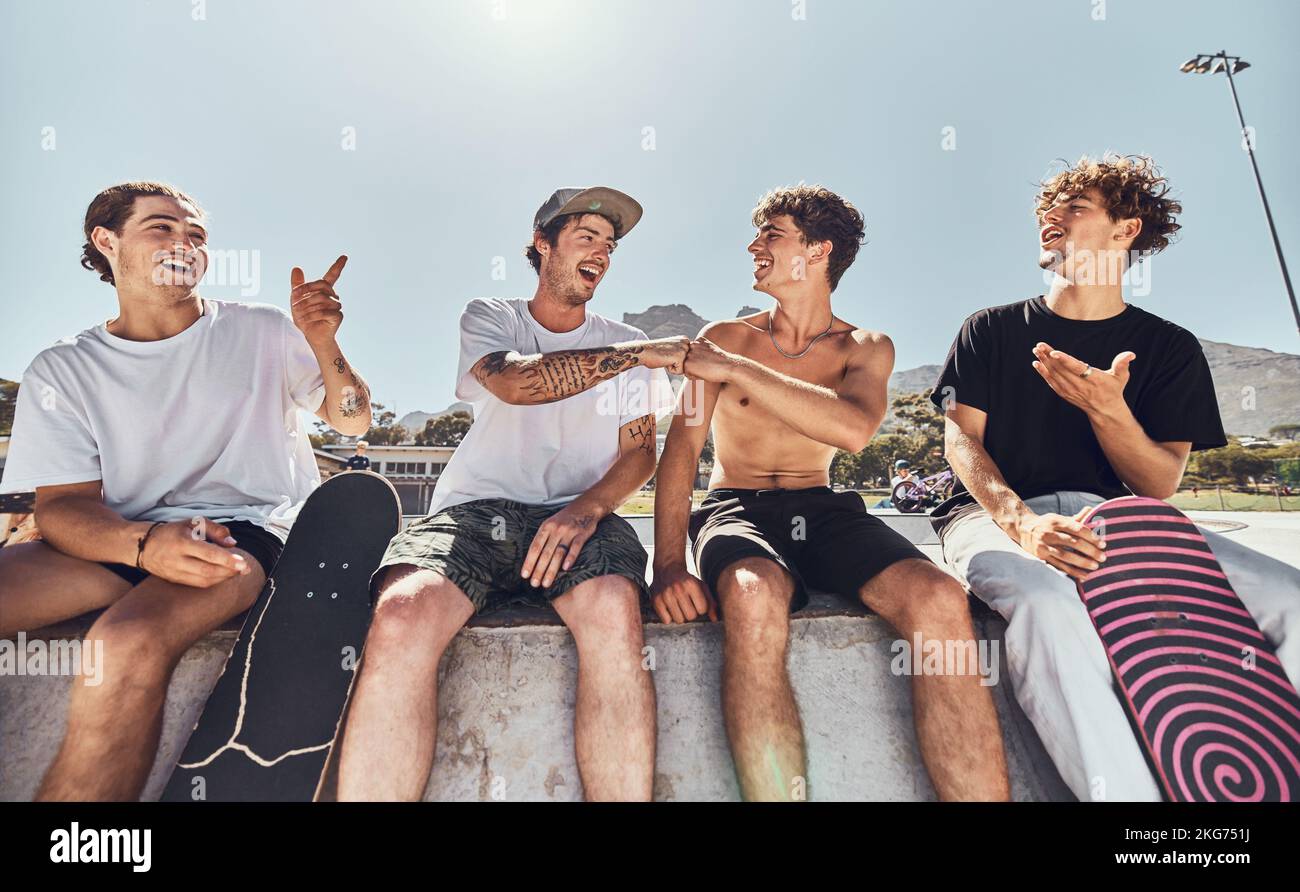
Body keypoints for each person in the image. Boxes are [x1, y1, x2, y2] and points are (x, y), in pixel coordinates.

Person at [932, 153, 1300, 800]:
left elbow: (1158, 484)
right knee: (1047, 606)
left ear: (1126, 231)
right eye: (1048, 209)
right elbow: (960, 440)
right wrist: (1021, 524)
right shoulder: (987, 330)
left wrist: (1109, 412)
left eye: (1076, 208)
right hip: (992, 516)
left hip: (1118, 521)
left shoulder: (1169, 348)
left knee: (1291, 599)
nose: (1052, 217)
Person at [0, 181, 371, 801]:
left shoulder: (262, 330)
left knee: (124, 643)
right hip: (125, 537)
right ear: (106, 242)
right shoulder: (63, 369)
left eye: (196, 234)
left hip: (248, 532)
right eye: (161, 228)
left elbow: (354, 419)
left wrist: (323, 339)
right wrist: (143, 545)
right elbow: (61, 507)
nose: (184, 244)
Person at [651, 184, 1010, 801]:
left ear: (817, 252)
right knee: (752, 594)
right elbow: (680, 455)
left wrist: (737, 371)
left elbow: (851, 429)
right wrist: (666, 565)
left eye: (772, 235)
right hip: (734, 505)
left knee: (938, 600)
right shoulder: (726, 336)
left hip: (824, 506)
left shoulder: (864, 347)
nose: (753, 246)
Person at [337, 187, 681, 801]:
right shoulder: (492, 316)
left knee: (613, 614)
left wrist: (588, 508)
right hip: (477, 510)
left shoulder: (630, 344)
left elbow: (638, 453)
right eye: (585, 237)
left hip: (583, 513)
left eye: (609, 244)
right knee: (404, 610)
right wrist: (636, 354)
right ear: (543, 244)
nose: (601, 252)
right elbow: (518, 383)